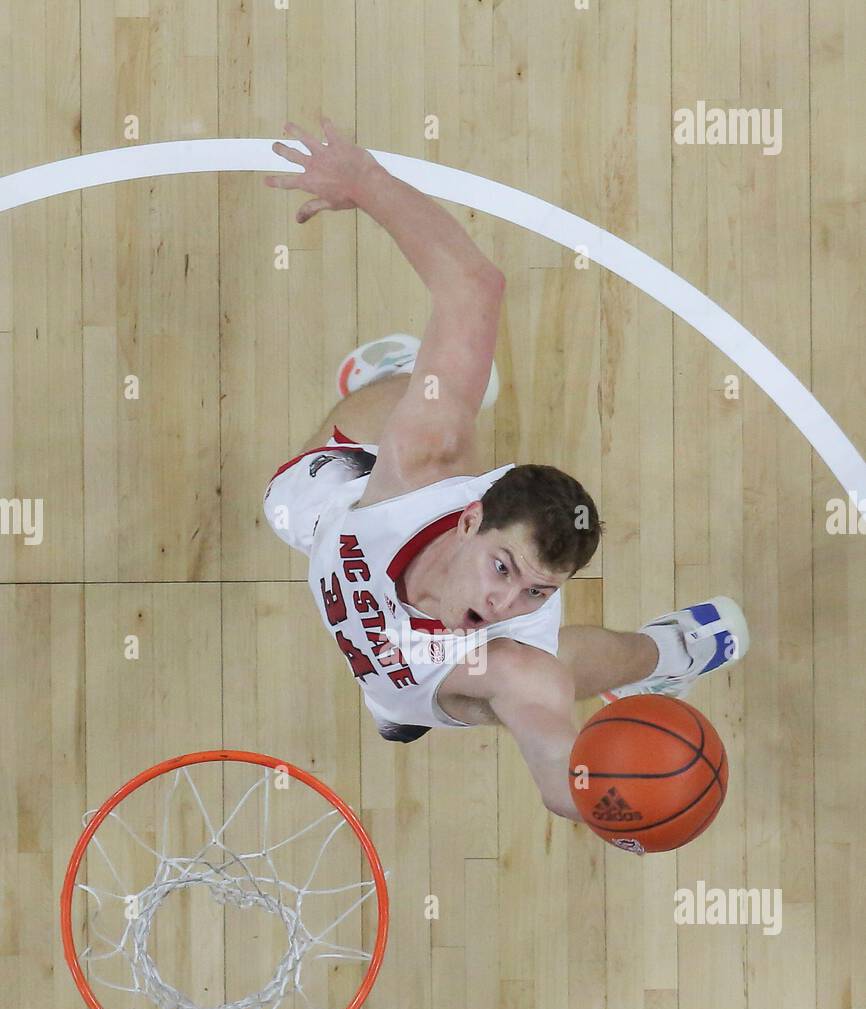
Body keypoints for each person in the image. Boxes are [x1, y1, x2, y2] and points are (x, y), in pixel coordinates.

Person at [262, 118, 749, 822]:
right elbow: (473, 286)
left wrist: (611, 806)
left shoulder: (510, 660)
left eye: (535, 591)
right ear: (468, 517)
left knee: (564, 666)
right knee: (334, 465)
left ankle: (664, 652)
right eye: (502, 569)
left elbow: (559, 769)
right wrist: (365, 181)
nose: (503, 606)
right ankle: (401, 373)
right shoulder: (424, 463)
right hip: (340, 519)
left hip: (421, 682)